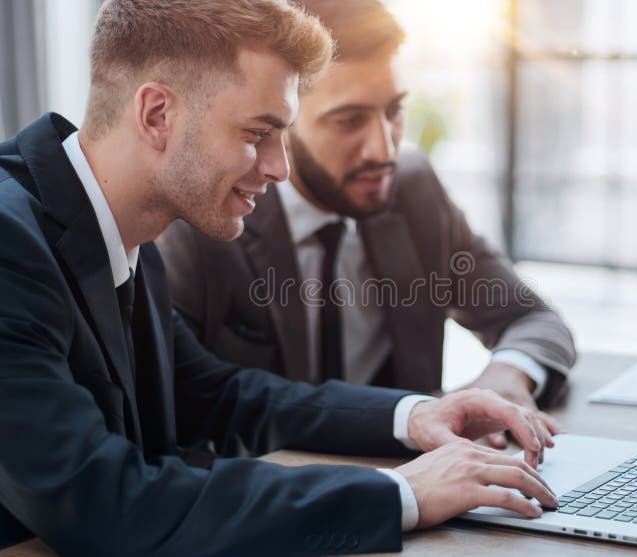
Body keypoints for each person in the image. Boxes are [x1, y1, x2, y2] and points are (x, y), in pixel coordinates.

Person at [0, 1, 560, 556]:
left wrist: (413, 415)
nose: (279, 168)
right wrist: (400, 492)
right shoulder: (10, 242)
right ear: (156, 115)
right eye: (257, 133)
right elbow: (106, 503)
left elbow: (217, 395)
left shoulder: (120, 224)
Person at [157, 1, 577, 458]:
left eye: (394, 111)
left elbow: (532, 317)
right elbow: (182, 413)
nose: (384, 149)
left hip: (429, 486)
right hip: (280, 501)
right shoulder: (204, 223)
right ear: (282, 120)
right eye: (349, 120)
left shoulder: (412, 191)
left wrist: (507, 376)